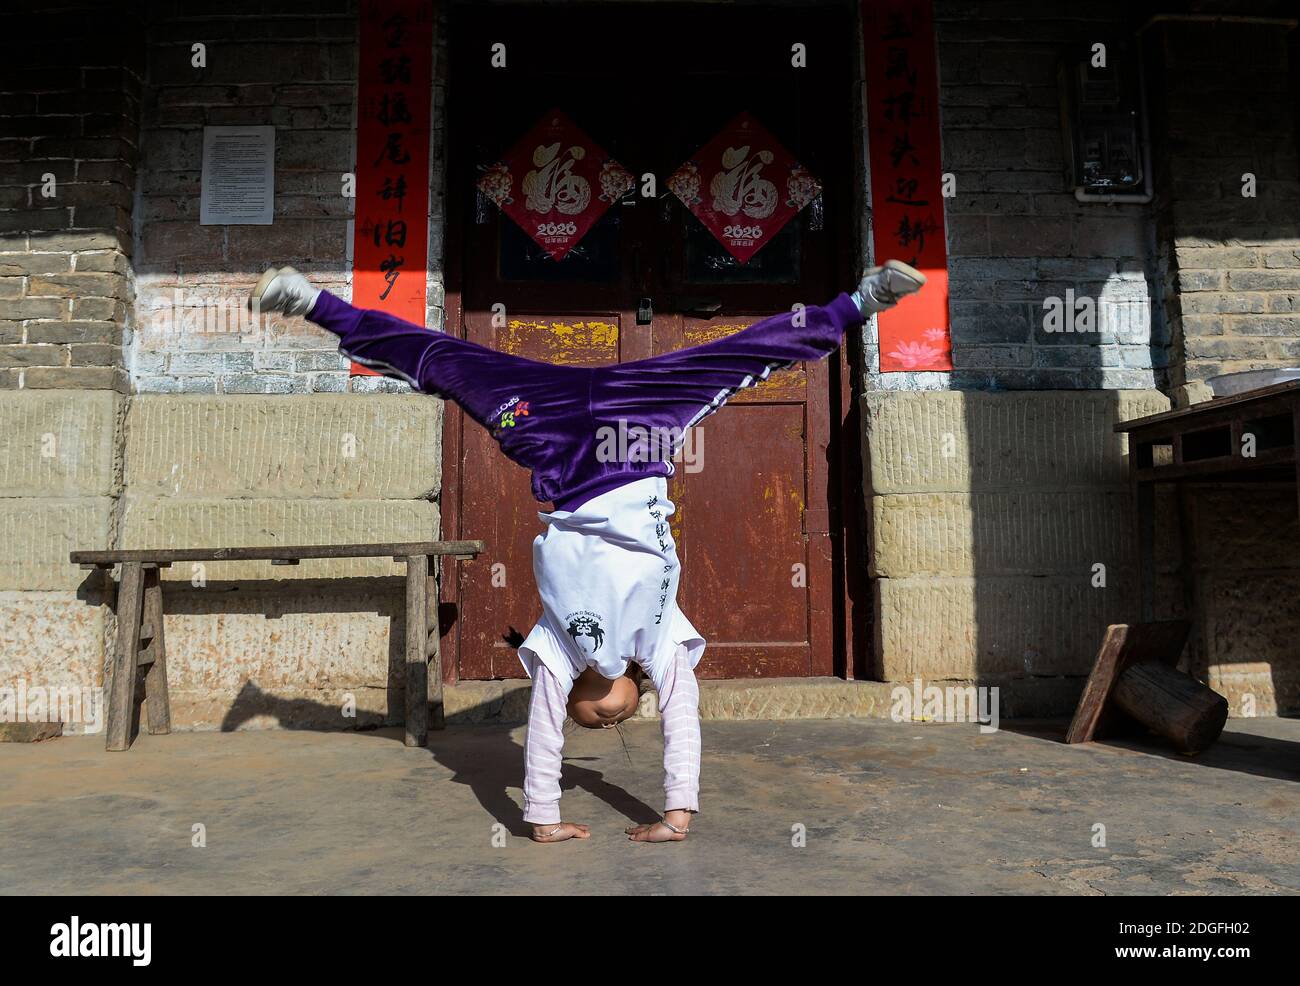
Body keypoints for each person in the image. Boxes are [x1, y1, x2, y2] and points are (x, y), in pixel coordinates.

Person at [249, 258, 926, 843]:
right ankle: (861, 301)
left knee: (442, 363)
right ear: (641, 697)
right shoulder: (665, 642)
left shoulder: (556, 649)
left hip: (552, 434)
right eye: (620, 719)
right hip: (637, 428)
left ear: (577, 699)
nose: (603, 719)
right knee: (742, 355)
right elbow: (681, 725)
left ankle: (309, 302)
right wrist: (676, 815)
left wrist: (543, 816)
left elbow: (543, 735)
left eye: (590, 724)